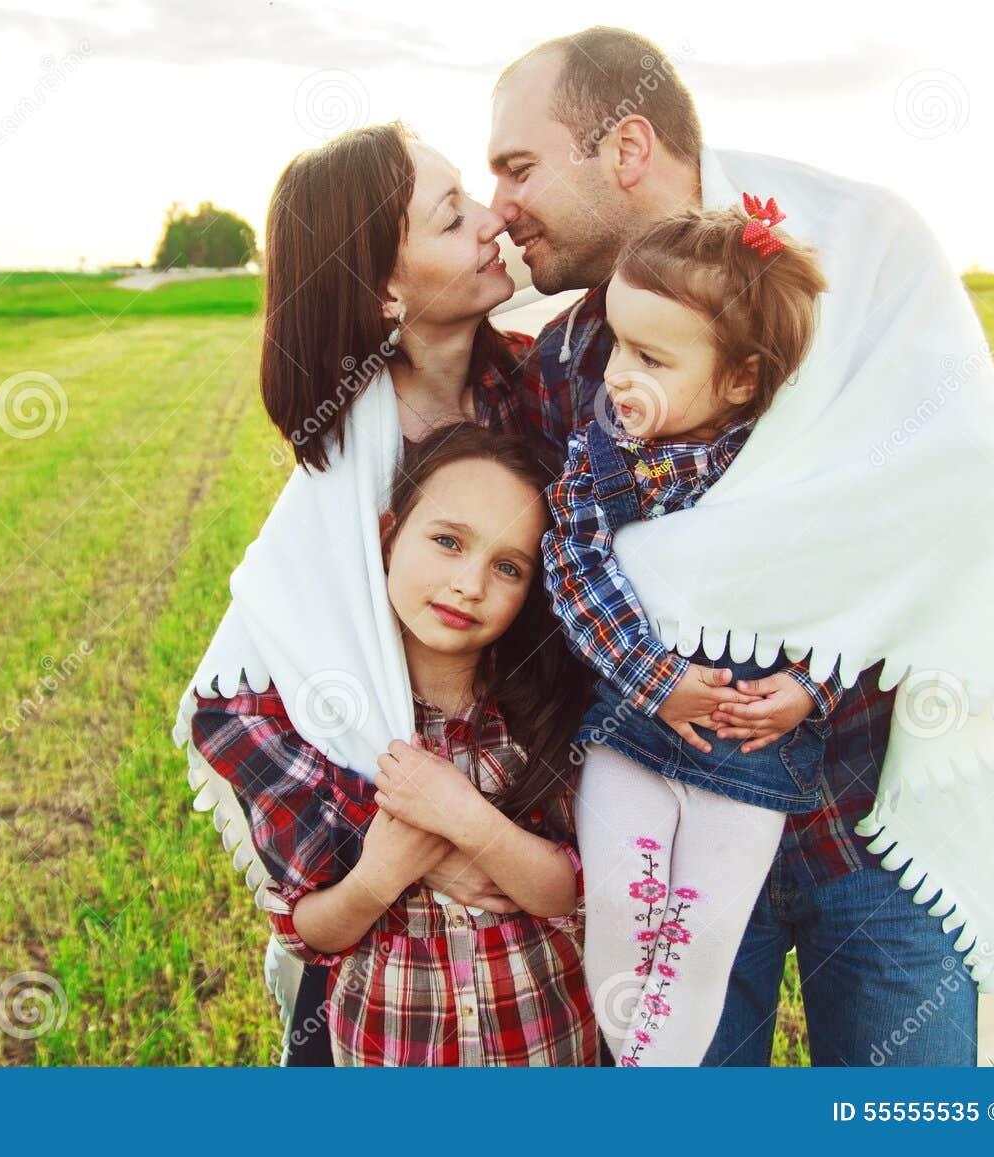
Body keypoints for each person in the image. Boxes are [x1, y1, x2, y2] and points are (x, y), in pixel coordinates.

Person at [489, 26, 994, 1065]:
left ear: (624, 148)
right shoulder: (563, 363)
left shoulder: (860, 254)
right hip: (669, 822)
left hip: (867, 823)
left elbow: (936, 516)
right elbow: (543, 562)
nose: (498, 207)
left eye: (516, 167)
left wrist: (815, 681)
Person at [173, 121, 591, 1064]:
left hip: (539, 866)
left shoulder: (542, 390)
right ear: (386, 288)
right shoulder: (343, 458)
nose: (494, 220)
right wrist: (416, 838)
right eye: (453, 219)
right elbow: (238, 698)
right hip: (392, 893)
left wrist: (490, 829)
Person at [543, 201, 844, 1065]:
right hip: (637, 730)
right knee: (622, 914)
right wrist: (652, 674)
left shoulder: (789, 464)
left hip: (749, 744)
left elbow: (842, 588)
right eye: (615, 347)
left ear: (742, 379)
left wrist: (809, 687)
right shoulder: (602, 455)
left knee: (701, 937)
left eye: (649, 357)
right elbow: (575, 567)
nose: (617, 377)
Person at [255, 424, 596, 1065]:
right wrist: (382, 873)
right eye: (446, 542)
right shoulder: (330, 724)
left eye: (507, 566)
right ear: (387, 537)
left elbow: (576, 891)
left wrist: (464, 818)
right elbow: (306, 933)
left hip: (541, 1049)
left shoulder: (543, 718)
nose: (470, 584)